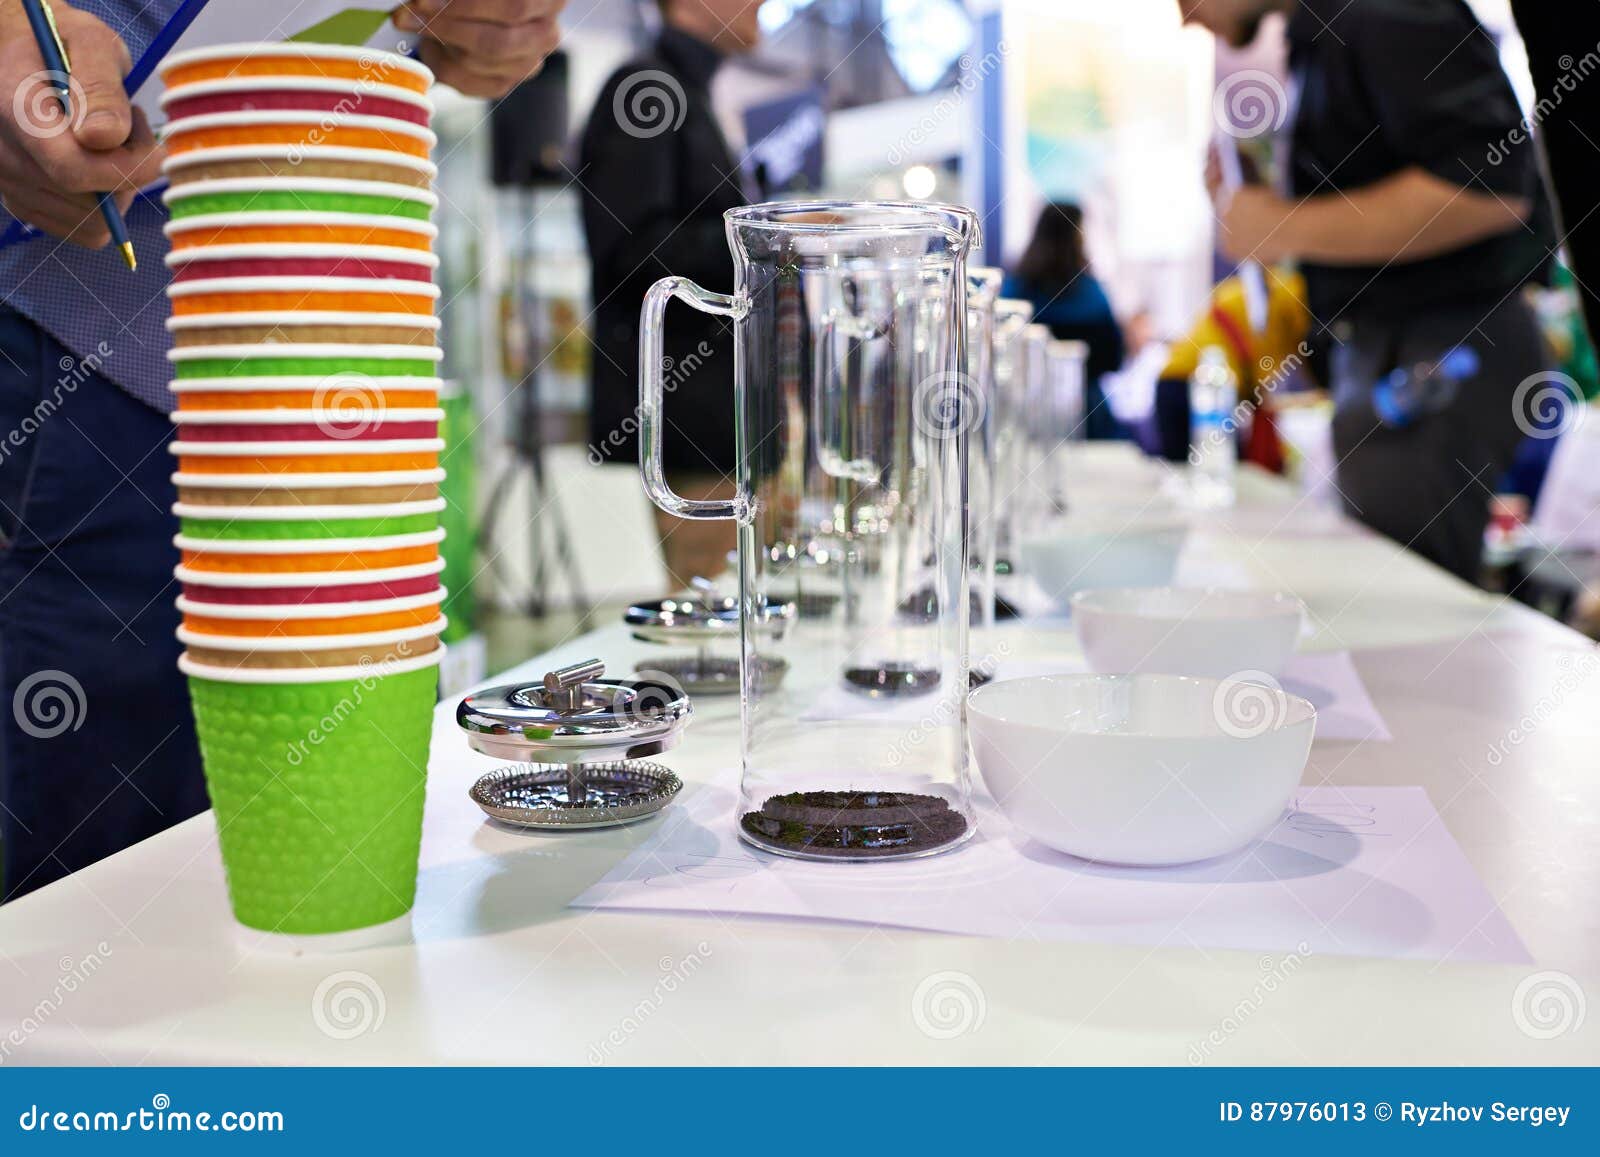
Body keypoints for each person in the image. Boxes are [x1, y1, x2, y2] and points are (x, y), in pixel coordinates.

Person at [0, 0, 565, 902]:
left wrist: (492, 30)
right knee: (90, 904)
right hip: (74, 337)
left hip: (344, 330)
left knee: (315, 913)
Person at [1180, 0, 1553, 583]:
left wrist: (1279, 224)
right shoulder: (1331, 29)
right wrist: (1263, 204)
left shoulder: (1383, 8)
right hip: (1403, 356)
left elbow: (1490, 189)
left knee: (1407, 620)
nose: (1186, 17)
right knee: (1395, 612)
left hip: (1439, 352)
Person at [578, 0, 762, 587]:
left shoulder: (690, 93)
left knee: (734, 609)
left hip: (722, 417)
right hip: (694, 419)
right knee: (708, 609)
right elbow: (632, 252)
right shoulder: (647, 87)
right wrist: (763, 238)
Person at [1003, 203, 1127, 440]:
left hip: (1025, 416)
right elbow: (1114, 358)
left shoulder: (1014, 292)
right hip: (1086, 413)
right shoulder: (1092, 294)